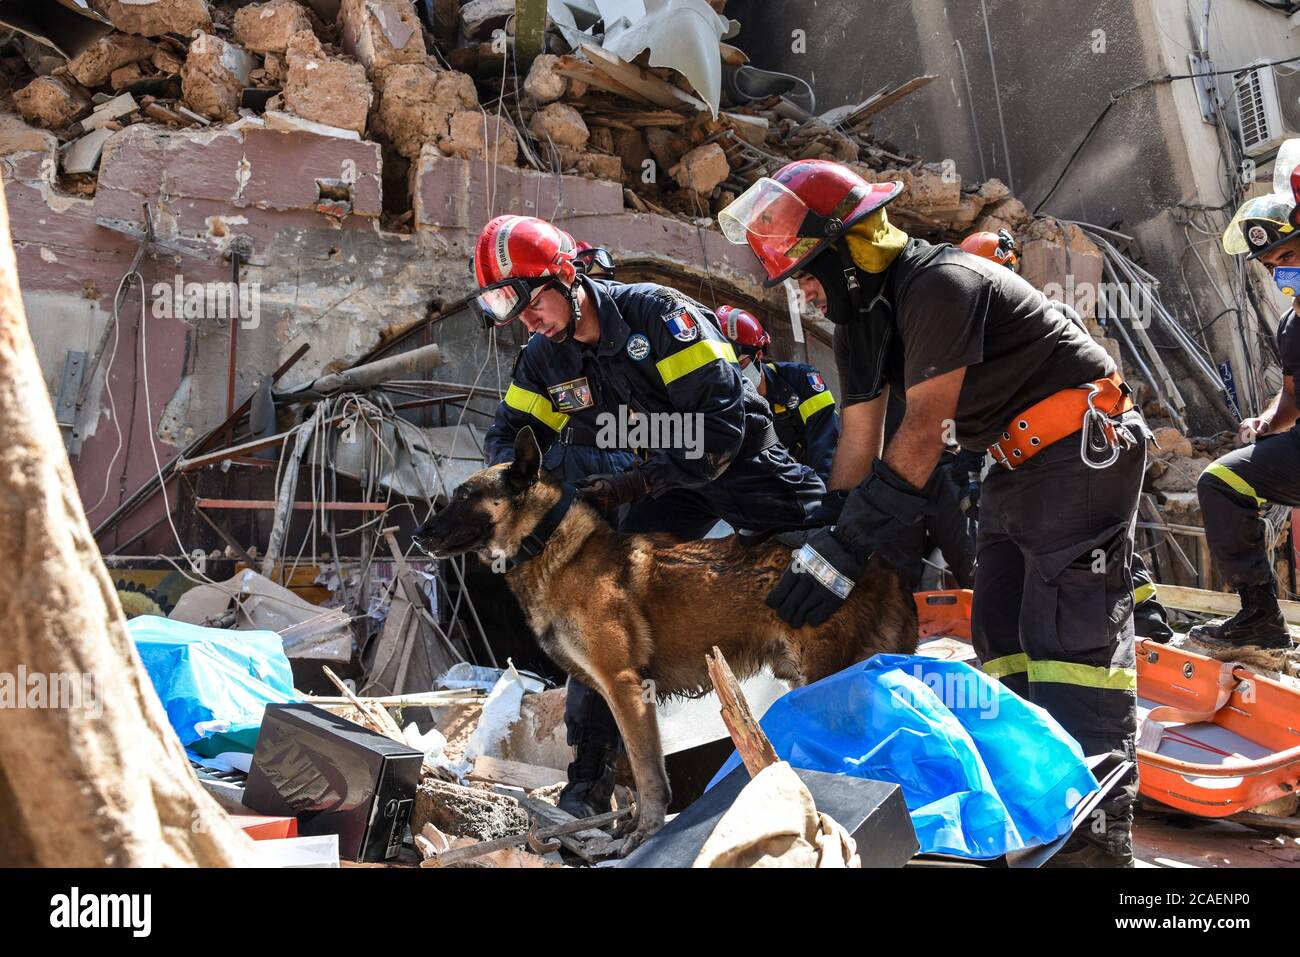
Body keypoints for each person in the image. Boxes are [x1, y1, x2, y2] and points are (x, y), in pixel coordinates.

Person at [720, 158, 1149, 865]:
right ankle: (1033, 810)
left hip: (1082, 446)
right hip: (1012, 462)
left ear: (850, 253)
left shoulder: (940, 284)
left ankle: (1097, 844)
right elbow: (858, 445)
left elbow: (920, 435)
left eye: (806, 271)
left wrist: (847, 546)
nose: (801, 291)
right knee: (1002, 634)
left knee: (1071, 646)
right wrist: (820, 540)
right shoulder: (860, 322)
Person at [474, 214, 824, 816]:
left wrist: (640, 477)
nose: (525, 320)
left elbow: (719, 428)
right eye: (510, 310)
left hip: (742, 470)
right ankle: (587, 781)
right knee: (597, 617)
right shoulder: (545, 359)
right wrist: (519, 486)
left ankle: (848, 754)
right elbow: (508, 438)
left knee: (824, 583)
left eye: (529, 303)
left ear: (567, 276)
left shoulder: (658, 316)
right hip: (665, 486)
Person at [1189, 144, 1300, 651]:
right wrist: (1266, 422)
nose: (1281, 269)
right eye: (1272, 263)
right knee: (1223, 480)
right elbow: (1293, 398)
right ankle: (1261, 618)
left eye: (1290, 254)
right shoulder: (1291, 324)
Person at [716, 304, 841, 482]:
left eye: (739, 364)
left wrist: (822, 502)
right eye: (724, 366)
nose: (732, 374)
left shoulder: (800, 381)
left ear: (758, 355)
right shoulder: (717, 402)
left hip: (809, 487)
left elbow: (826, 444)